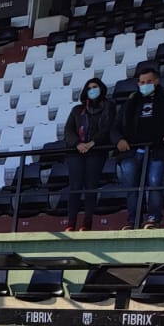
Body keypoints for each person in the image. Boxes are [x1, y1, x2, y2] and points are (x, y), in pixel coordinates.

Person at [112, 66, 164, 229]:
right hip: (131, 151)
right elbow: (115, 127)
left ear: (157, 81)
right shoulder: (130, 102)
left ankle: (153, 219)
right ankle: (133, 221)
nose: (145, 84)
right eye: (142, 82)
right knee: (132, 187)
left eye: (149, 81)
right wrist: (119, 140)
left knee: (154, 183)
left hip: (157, 150)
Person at [62, 77, 115, 231]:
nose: (92, 90)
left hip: (97, 151)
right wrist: (78, 144)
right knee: (75, 186)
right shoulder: (77, 110)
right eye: (89, 87)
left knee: (91, 186)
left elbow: (107, 127)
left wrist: (93, 143)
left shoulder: (109, 107)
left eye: (95, 87)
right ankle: (71, 223)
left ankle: (87, 222)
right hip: (76, 152)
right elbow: (68, 130)